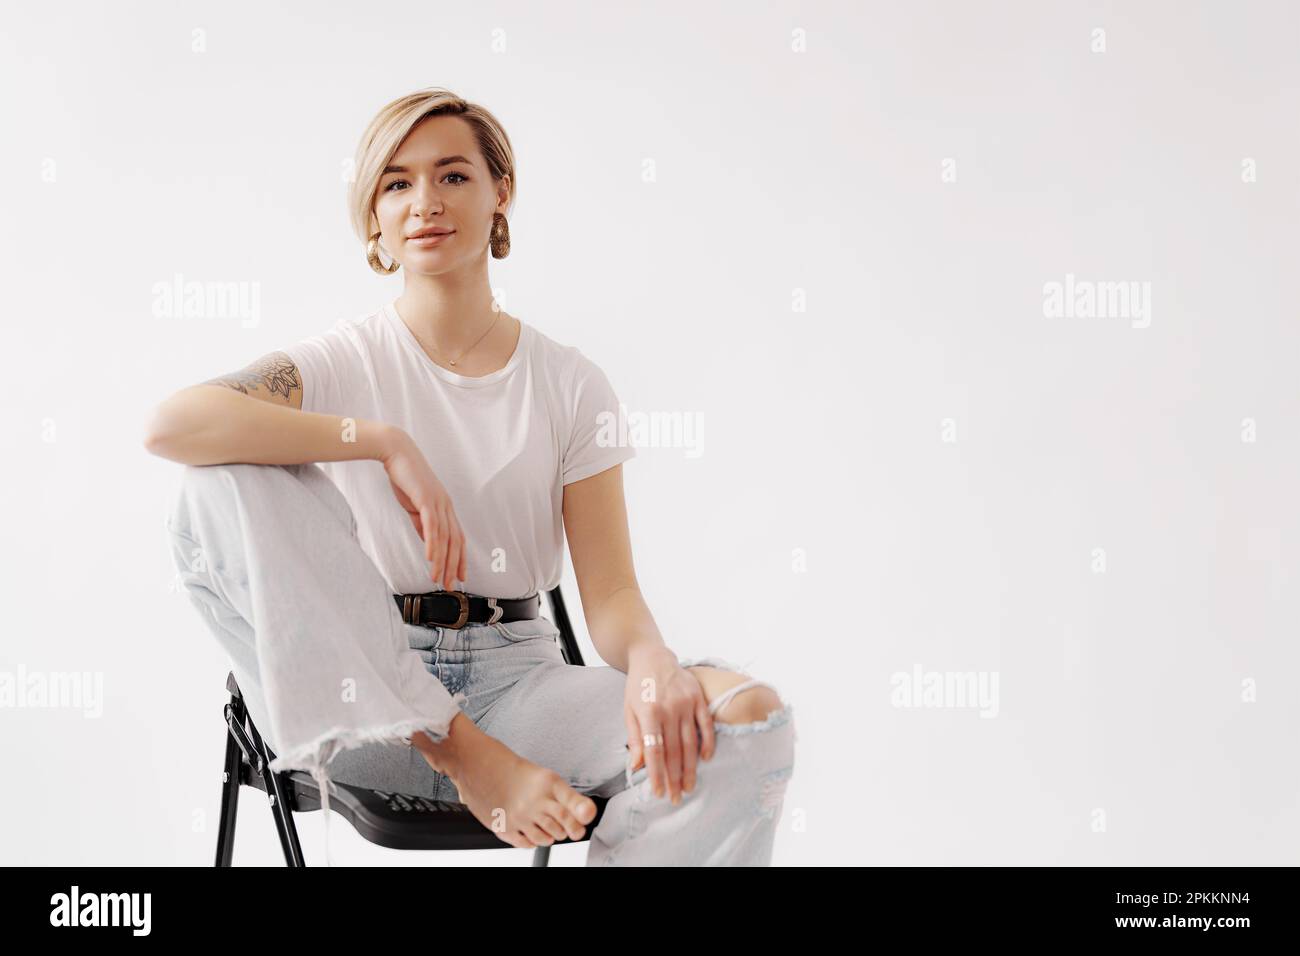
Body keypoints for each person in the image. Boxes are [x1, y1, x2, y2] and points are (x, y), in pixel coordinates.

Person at [144, 87, 795, 865]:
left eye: (452, 175)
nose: (425, 201)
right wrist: (380, 441)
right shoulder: (342, 362)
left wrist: (655, 663)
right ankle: (464, 755)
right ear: (375, 218)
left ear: (500, 194)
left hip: (520, 686)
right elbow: (172, 425)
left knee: (745, 720)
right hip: (368, 696)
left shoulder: (570, 383)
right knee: (216, 481)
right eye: (397, 183)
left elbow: (612, 596)